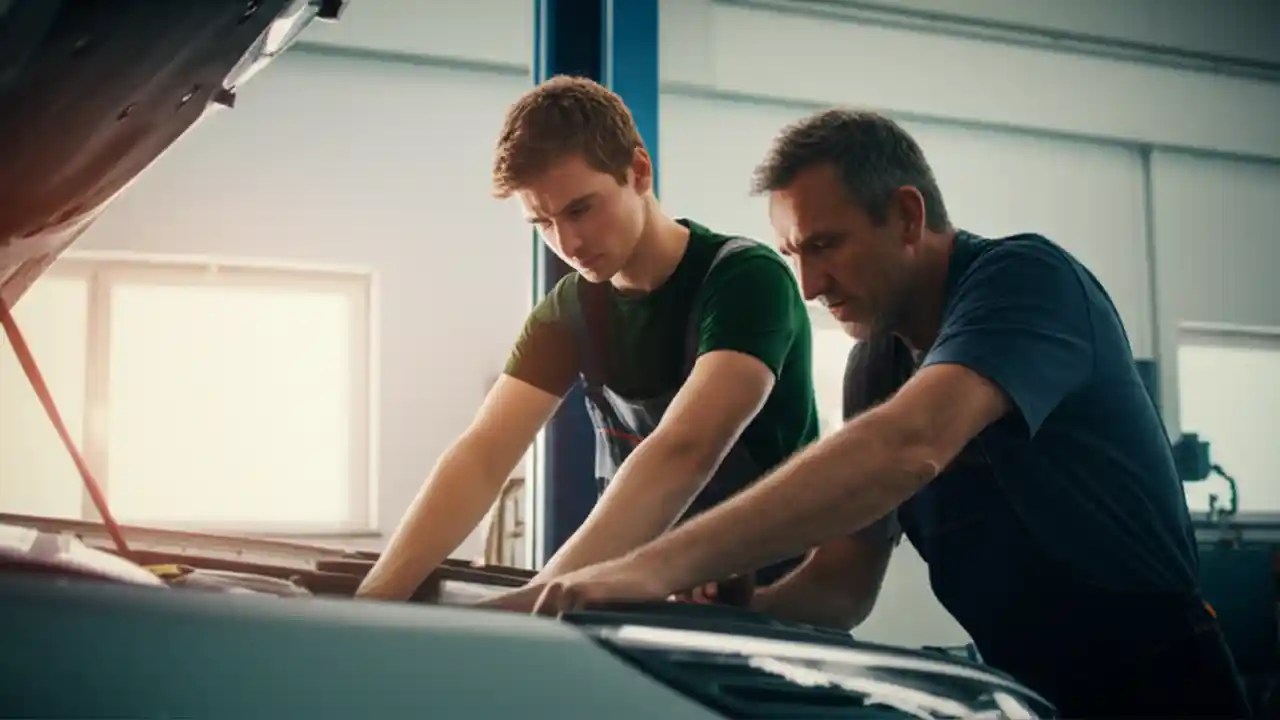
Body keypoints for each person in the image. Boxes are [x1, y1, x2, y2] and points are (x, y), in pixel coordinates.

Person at [524, 108, 1252, 717]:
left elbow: (909, 446)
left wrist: (648, 568)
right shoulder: (876, 364)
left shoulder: (1026, 282)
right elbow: (844, 584)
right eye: (791, 253)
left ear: (907, 215)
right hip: (1029, 693)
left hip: (1163, 687)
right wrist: (740, 610)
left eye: (825, 246)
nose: (807, 286)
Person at [355, 75, 830, 608]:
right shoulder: (569, 310)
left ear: (639, 171)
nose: (568, 242)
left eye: (581, 209)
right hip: (644, 606)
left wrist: (535, 605)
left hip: (779, 611)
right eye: (543, 222)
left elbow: (685, 450)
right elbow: (483, 457)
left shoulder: (746, 281)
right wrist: (375, 599)